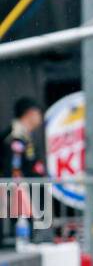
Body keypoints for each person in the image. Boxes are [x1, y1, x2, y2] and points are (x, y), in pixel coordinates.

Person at [0, 96, 45, 247]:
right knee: (21, 224)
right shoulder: (16, 137)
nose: (40, 118)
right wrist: (19, 190)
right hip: (17, 189)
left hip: (24, 189)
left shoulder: (25, 135)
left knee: (27, 224)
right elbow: (14, 169)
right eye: (38, 113)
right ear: (30, 113)